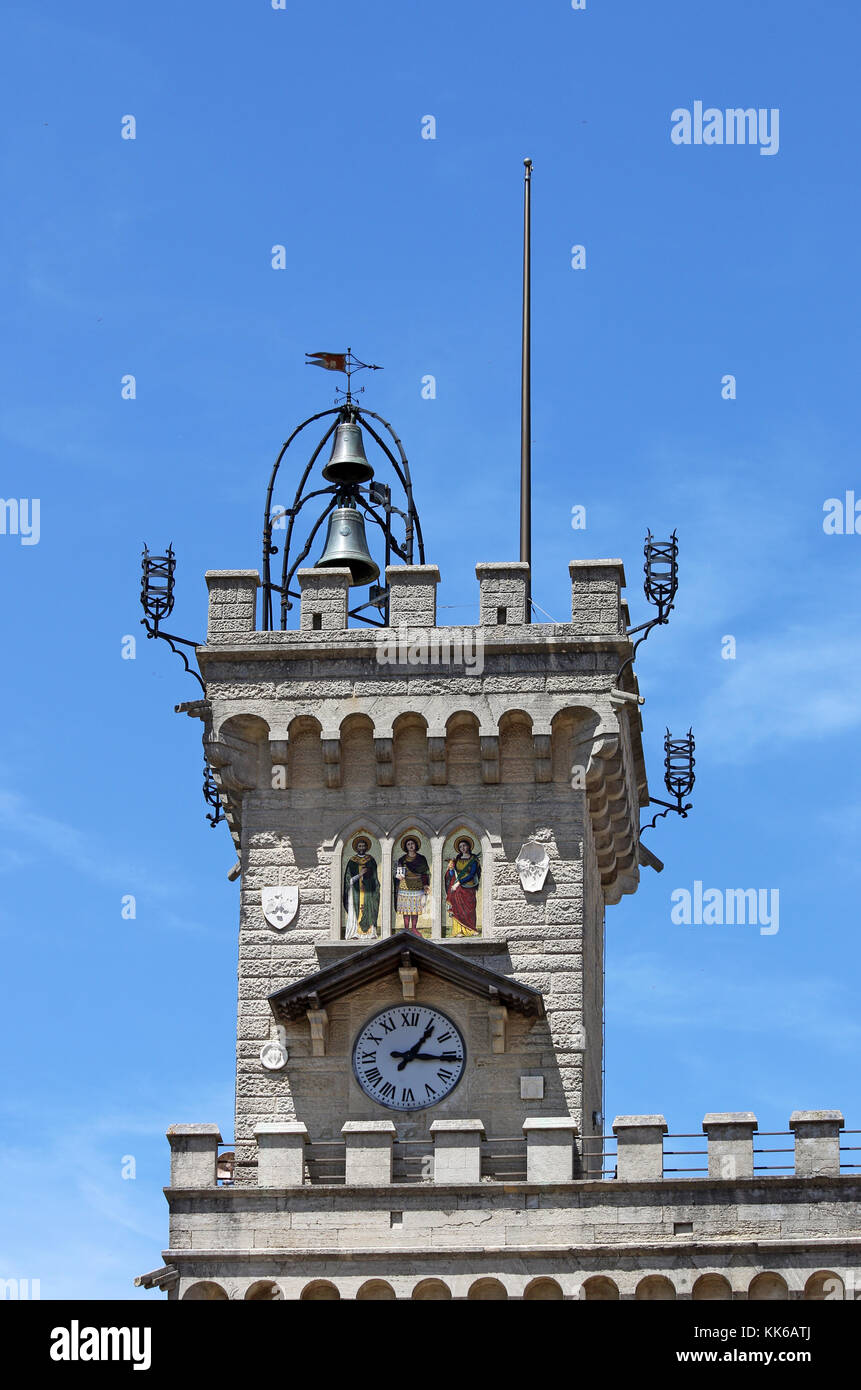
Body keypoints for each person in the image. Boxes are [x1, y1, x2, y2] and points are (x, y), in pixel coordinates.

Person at [343, 835, 380, 938]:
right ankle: (355, 933)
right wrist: (360, 875)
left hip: (368, 890)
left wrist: (369, 880)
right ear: (356, 848)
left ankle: (370, 933)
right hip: (355, 891)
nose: (361, 848)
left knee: (369, 908)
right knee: (355, 909)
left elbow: (374, 877)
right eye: (359, 846)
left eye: (363, 846)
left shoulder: (370, 860)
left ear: (366, 847)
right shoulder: (352, 861)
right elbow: (348, 880)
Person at [393, 834, 430, 936]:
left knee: (415, 909)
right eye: (408, 844)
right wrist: (398, 876)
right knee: (406, 908)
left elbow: (425, 872)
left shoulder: (421, 858)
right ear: (406, 847)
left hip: (418, 885)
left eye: (412, 844)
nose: (410, 846)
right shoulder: (402, 859)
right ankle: (406, 928)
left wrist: (426, 884)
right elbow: (398, 871)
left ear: (416, 845)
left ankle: (413, 928)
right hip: (405, 885)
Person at [445, 835, 482, 936]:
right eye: (460, 846)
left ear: (469, 846)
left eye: (464, 845)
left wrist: (459, 883)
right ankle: (458, 930)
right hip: (457, 887)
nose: (463, 848)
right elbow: (453, 874)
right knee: (457, 907)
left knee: (470, 908)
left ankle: (471, 929)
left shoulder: (473, 859)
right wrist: (450, 869)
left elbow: (471, 874)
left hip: (469, 886)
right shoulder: (457, 859)